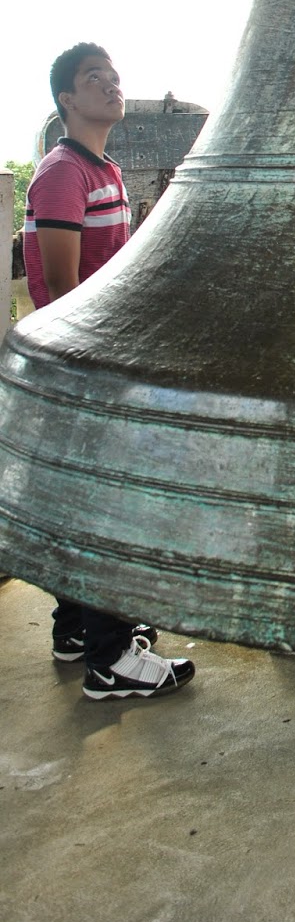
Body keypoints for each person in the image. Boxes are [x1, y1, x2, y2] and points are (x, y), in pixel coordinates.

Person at [23, 42, 195, 702]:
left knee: (82, 505)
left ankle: (77, 628)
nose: (111, 85)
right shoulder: (63, 174)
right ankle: (111, 656)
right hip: (81, 365)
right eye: (94, 78)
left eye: (115, 76)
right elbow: (64, 286)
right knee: (108, 510)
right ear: (67, 98)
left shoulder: (107, 171)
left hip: (100, 362)